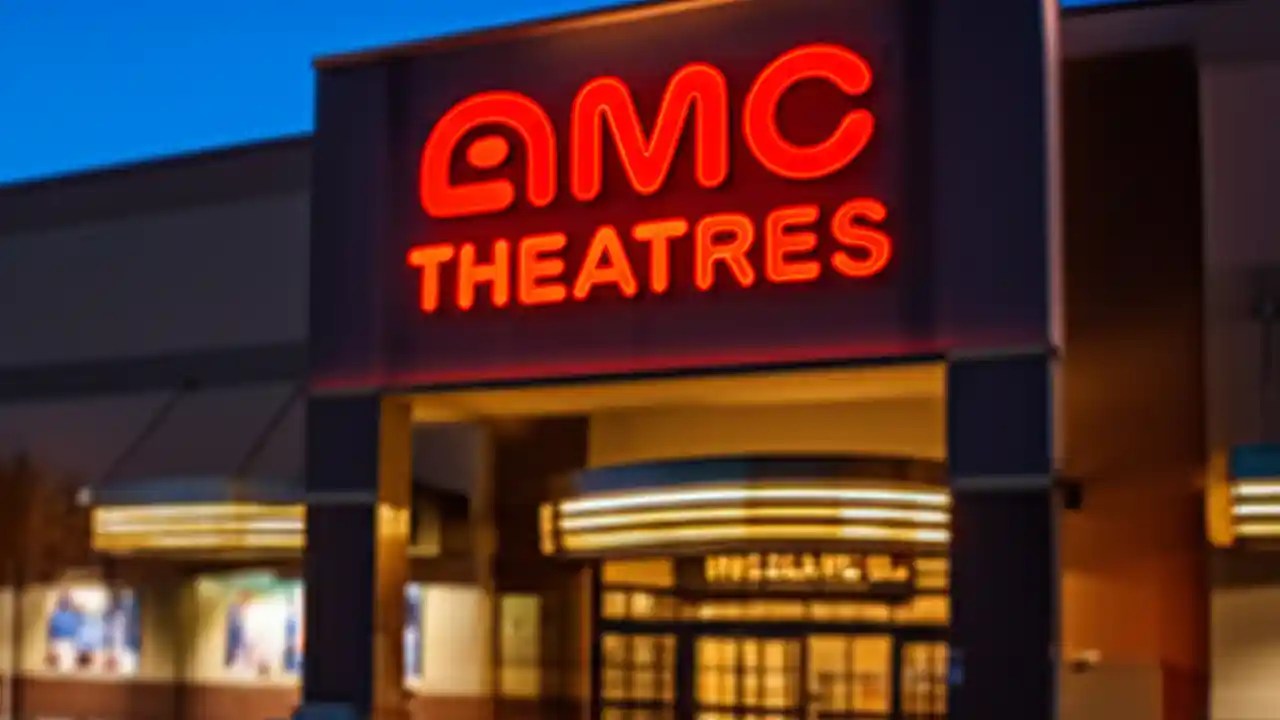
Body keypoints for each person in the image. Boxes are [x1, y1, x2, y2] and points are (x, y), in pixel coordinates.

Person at [45, 592, 80, 672]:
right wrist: (51, 645)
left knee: (68, 667)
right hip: (58, 641)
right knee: (61, 667)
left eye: (67, 600)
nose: (65, 602)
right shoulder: (55, 615)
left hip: (70, 642)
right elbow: (50, 630)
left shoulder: (73, 615)